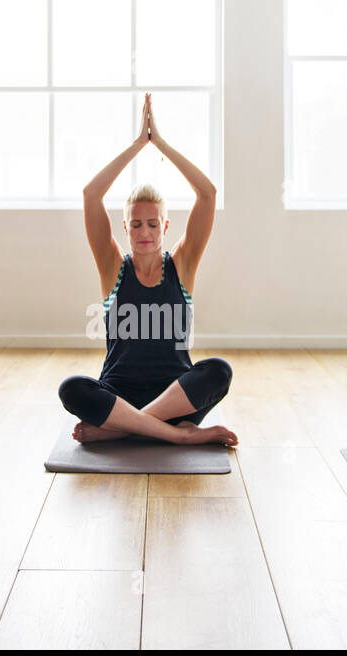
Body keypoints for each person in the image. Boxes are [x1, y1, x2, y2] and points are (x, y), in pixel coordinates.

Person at [58, 94, 237, 446]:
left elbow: (207, 194)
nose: (144, 232)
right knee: (71, 389)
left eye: (152, 224)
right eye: (136, 224)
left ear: (165, 226)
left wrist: (162, 145)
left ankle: (128, 429)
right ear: (124, 228)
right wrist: (139, 144)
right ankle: (178, 437)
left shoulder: (181, 265)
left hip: (175, 398)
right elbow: (91, 195)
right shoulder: (113, 267)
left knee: (219, 371)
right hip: (117, 397)